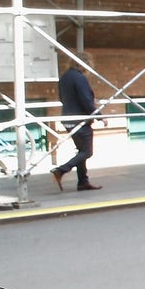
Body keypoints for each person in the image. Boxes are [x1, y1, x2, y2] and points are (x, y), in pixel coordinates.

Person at [50, 56, 101, 191]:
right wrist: (101, 116)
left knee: (81, 151)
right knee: (87, 152)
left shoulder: (64, 77)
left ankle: (83, 182)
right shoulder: (80, 78)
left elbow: (62, 97)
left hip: (67, 119)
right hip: (80, 120)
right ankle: (61, 170)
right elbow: (86, 100)